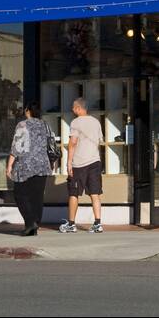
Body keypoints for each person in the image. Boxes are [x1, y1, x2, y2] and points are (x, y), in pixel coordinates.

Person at [6, 103, 54, 237]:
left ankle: (30, 221)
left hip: (26, 165)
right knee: (37, 196)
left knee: (20, 194)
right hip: (42, 165)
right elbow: (52, 144)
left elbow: (16, 147)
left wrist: (9, 165)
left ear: (27, 111)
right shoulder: (45, 125)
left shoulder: (23, 125)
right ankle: (33, 225)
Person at [60, 97, 104, 233]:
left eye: (74, 107)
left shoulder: (75, 122)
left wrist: (69, 163)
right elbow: (99, 141)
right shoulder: (96, 122)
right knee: (95, 193)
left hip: (79, 163)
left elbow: (73, 143)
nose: (72, 110)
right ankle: (97, 223)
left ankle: (71, 224)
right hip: (95, 161)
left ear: (79, 108)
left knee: (74, 193)